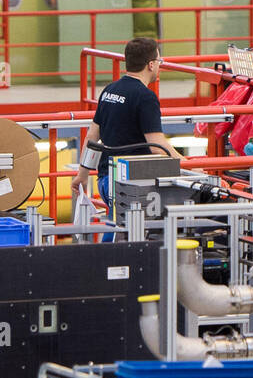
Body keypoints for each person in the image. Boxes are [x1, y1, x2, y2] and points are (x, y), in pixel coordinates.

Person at [73, 37, 181, 234]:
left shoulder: (109, 90)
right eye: (159, 61)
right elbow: (158, 147)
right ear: (150, 65)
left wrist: (82, 174)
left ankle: (105, 252)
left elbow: (91, 138)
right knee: (139, 231)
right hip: (130, 186)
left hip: (105, 181)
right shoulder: (146, 97)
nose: (160, 66)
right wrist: (188, 165)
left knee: (117, 227)